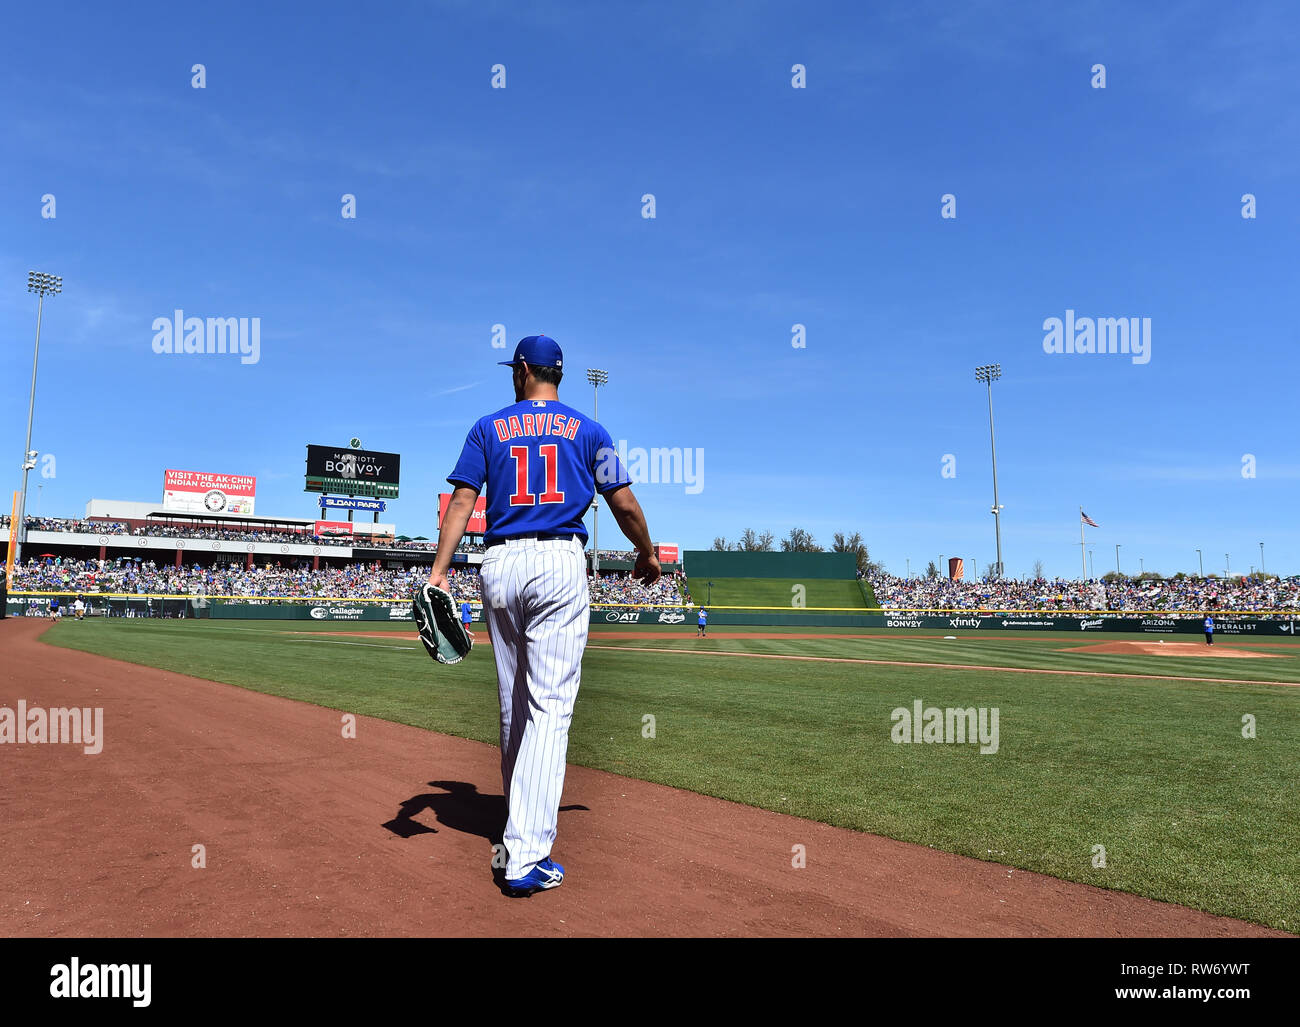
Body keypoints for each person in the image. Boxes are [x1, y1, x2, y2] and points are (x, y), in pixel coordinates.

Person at [427, 335, 659, 897]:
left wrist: (438, 572)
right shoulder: (590, 430)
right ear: (558, 373)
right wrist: (646, 553)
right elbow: (623, 503)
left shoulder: (488, 427)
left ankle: (517, 830)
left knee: (514, 704)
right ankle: (527, 857)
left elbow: (461, 501)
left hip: (499, 560)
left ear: (523, 370)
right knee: (549, 707)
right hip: (558, 560)